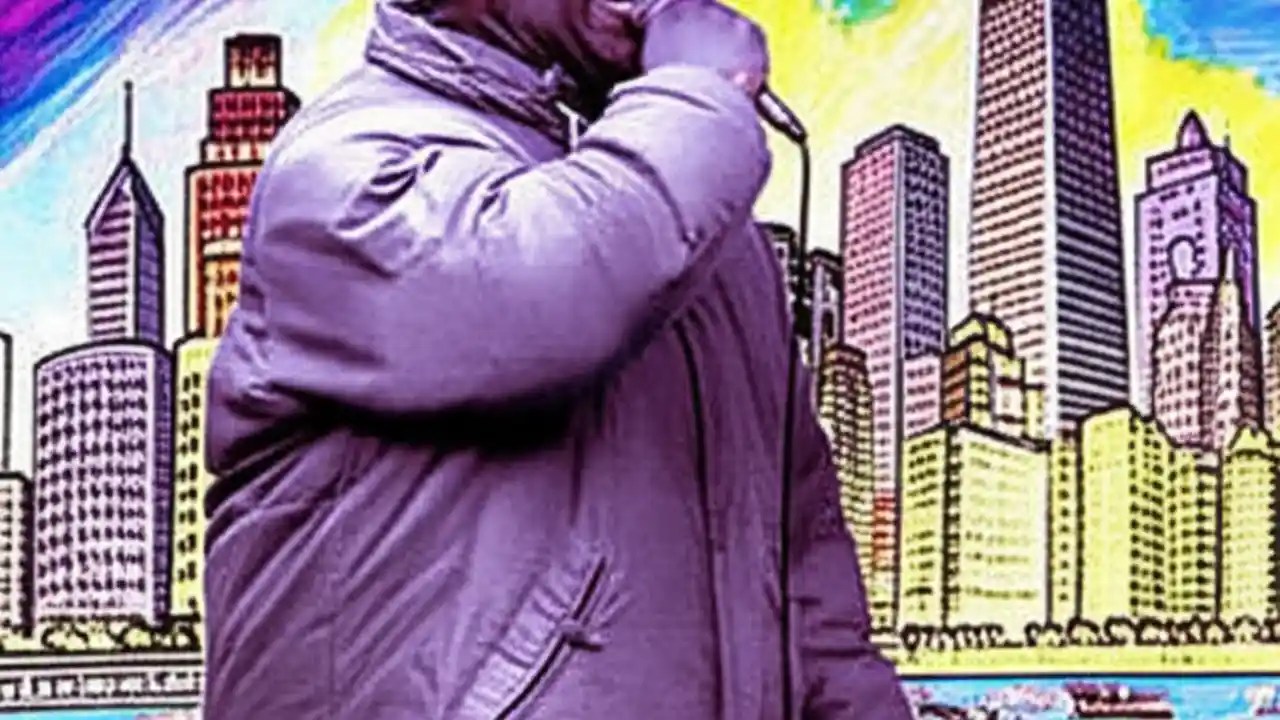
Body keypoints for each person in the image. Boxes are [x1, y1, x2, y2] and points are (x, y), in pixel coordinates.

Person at [202, 0, 912, 717]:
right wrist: (701, 91)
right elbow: (538, 293)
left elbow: (809, 581)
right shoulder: (346, 164)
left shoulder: (714, 237)